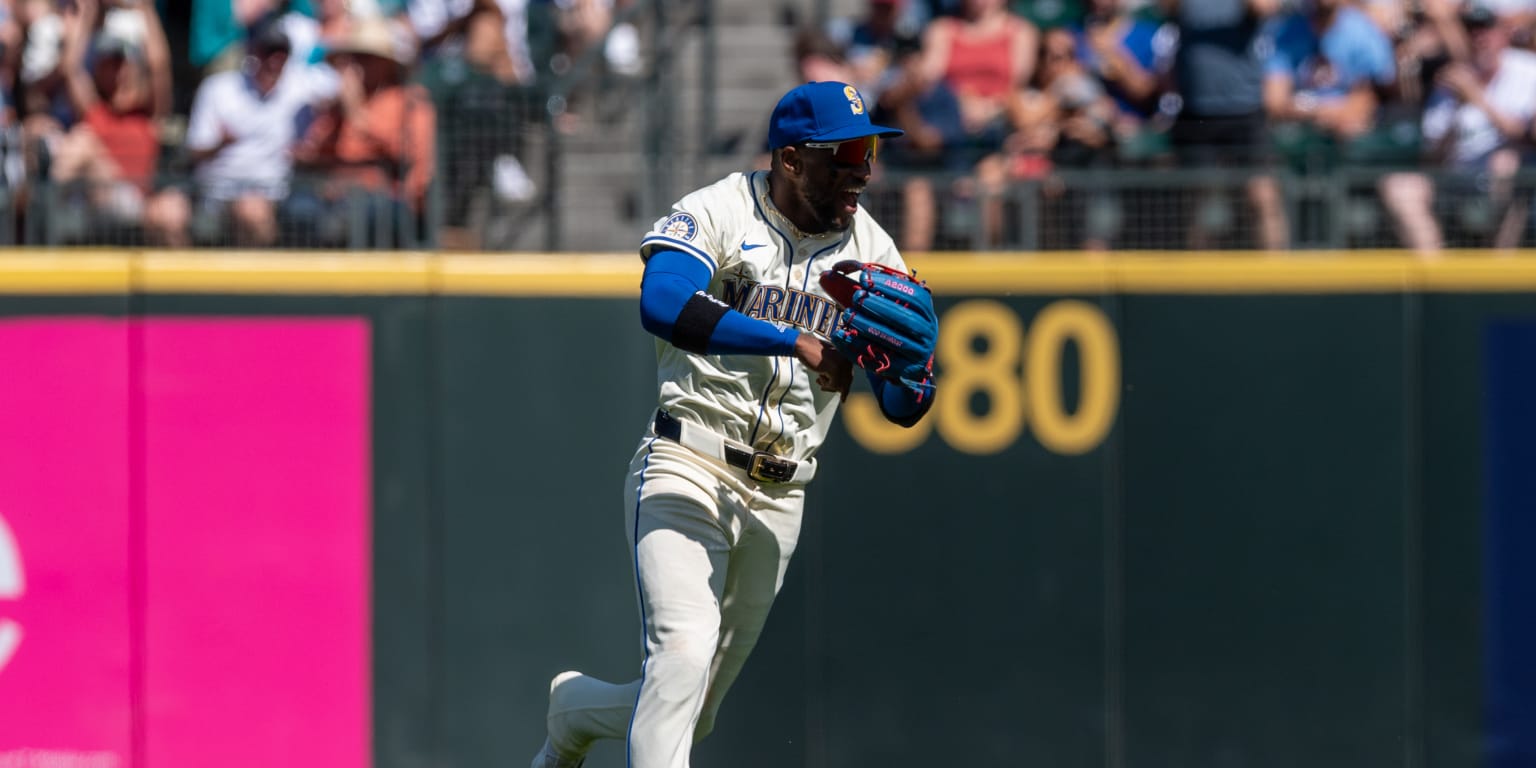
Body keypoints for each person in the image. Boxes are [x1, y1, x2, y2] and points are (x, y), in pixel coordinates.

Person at [528, 81, 937, 768]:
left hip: (782, 495)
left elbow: (901, 410)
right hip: (689, 462)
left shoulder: (874, 249)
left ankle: (575, 712)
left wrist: (916, 375)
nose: (863, 168)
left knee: (696, 709)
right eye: (847, 152)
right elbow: (662, 303)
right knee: (682, 655)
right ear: (791, 160)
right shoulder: (717, 209)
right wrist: (791, 339)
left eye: (870, 150)